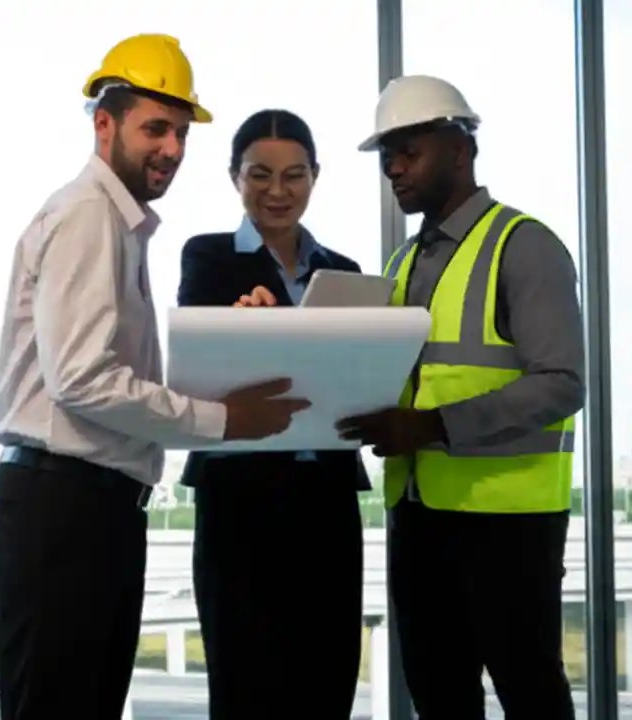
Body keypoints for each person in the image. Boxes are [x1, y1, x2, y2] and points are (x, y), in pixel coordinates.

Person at [0, 34, 309, 719]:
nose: (171, 149)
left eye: (181, 133)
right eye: (154, 128)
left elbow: (98, 375)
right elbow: (83, 381)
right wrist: (224, 421)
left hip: (87, 507)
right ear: (104, 124)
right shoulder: (87, 216)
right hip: (63, 507)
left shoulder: (116, 223)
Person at [337, 74, 584, 719]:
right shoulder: (398, 266)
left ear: (459, 147)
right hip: (417, 516)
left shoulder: (524, 246)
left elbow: (563, 383)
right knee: (438, 692)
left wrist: (431, 427)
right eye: (386, 156)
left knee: (528, 690)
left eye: (408, 150)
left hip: (508, 525)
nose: (393, 168)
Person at [176, 109, 369, 718]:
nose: (278, 192)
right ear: (234, 176)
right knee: (243, 683)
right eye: (259, 174)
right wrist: (241, 321)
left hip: (327, 500)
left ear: (316, 176)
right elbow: (198, 354)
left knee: (328, 677)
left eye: (295, 175)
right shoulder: (208, 258)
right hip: (240, 501)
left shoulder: (345, 273)